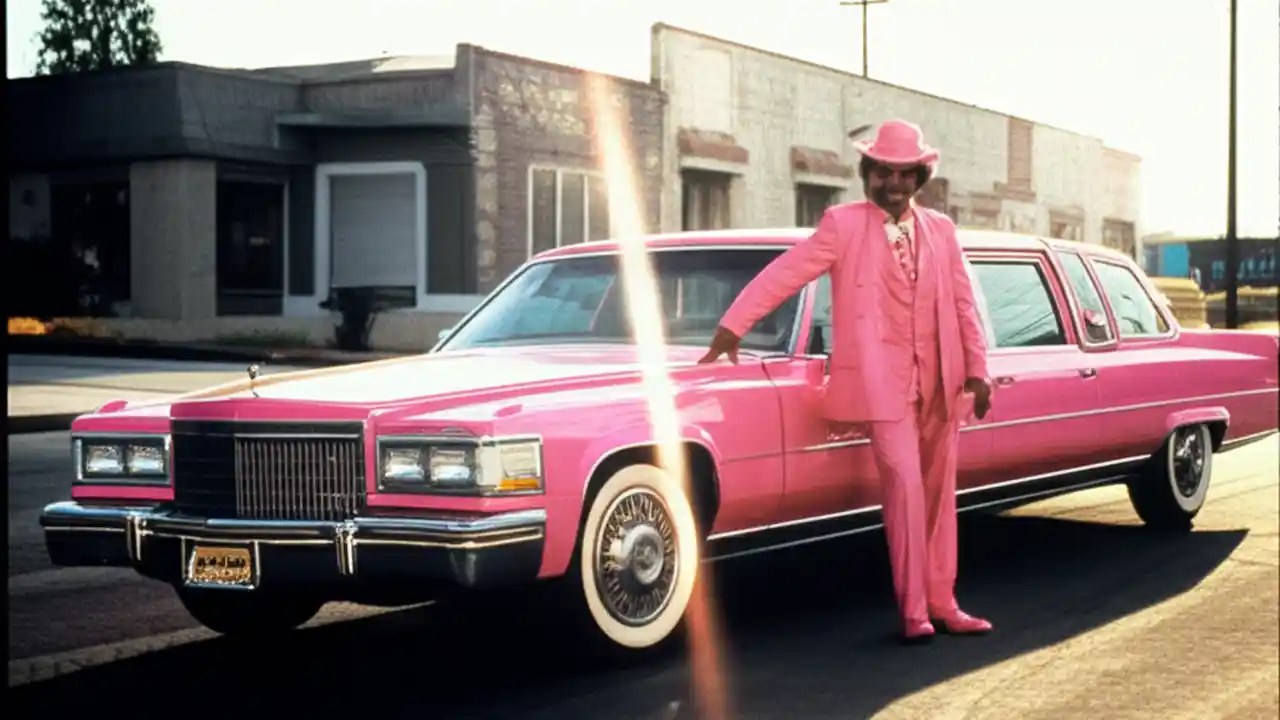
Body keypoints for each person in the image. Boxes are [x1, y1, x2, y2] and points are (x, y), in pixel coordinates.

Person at [698, 119, 995, 643]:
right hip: (884, 387)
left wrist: (978, 370)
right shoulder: (843, 224)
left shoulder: (942, 231)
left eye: (905, 174)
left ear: (920, 176)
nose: (894, 184)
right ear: (868, 172)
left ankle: (944, 600)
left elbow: (963, 304)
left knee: (938, 495)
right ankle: (913, 612)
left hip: (942, 382)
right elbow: (787, 272)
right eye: (884, 172)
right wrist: (733, 325)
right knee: (903, 488)